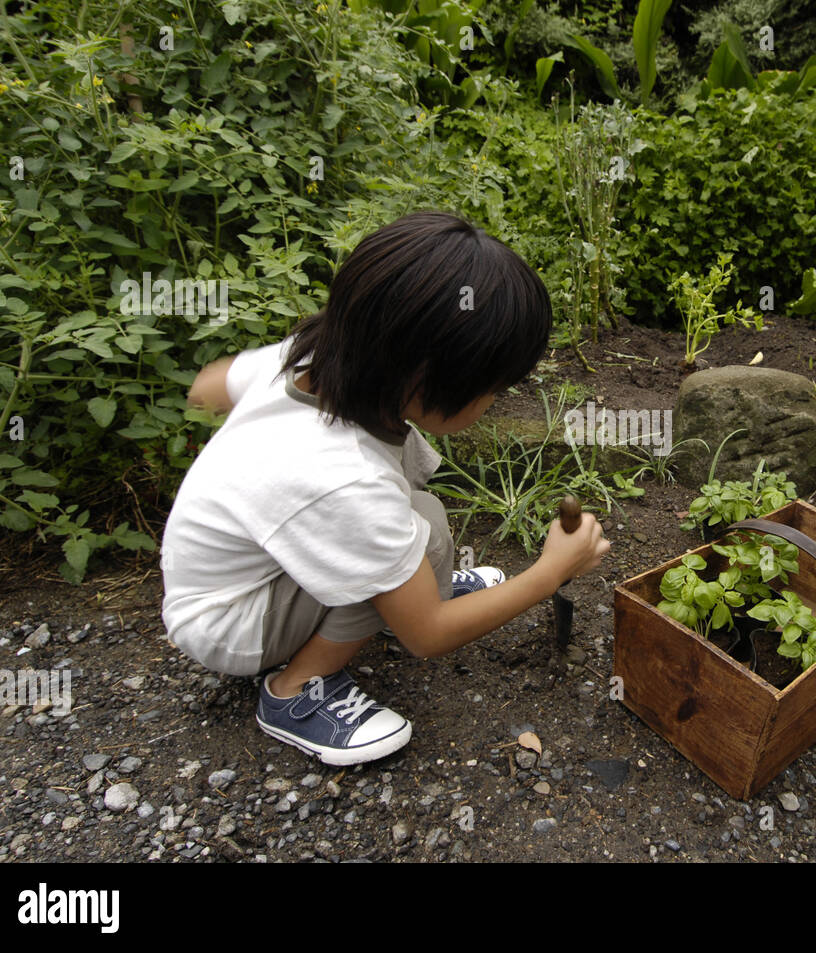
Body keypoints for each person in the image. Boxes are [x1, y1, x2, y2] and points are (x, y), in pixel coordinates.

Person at [159, 211, 610, 766]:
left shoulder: (307, 357)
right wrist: (550, 572)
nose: (496, 399)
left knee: (420, 522)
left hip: (241, 577)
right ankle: (296, 690)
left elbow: (209, 384)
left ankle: (411, 588)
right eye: (493, 386)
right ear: (419, 377)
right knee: (409, 541)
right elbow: (429, 637)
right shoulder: (342, 477)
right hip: (231, 623)